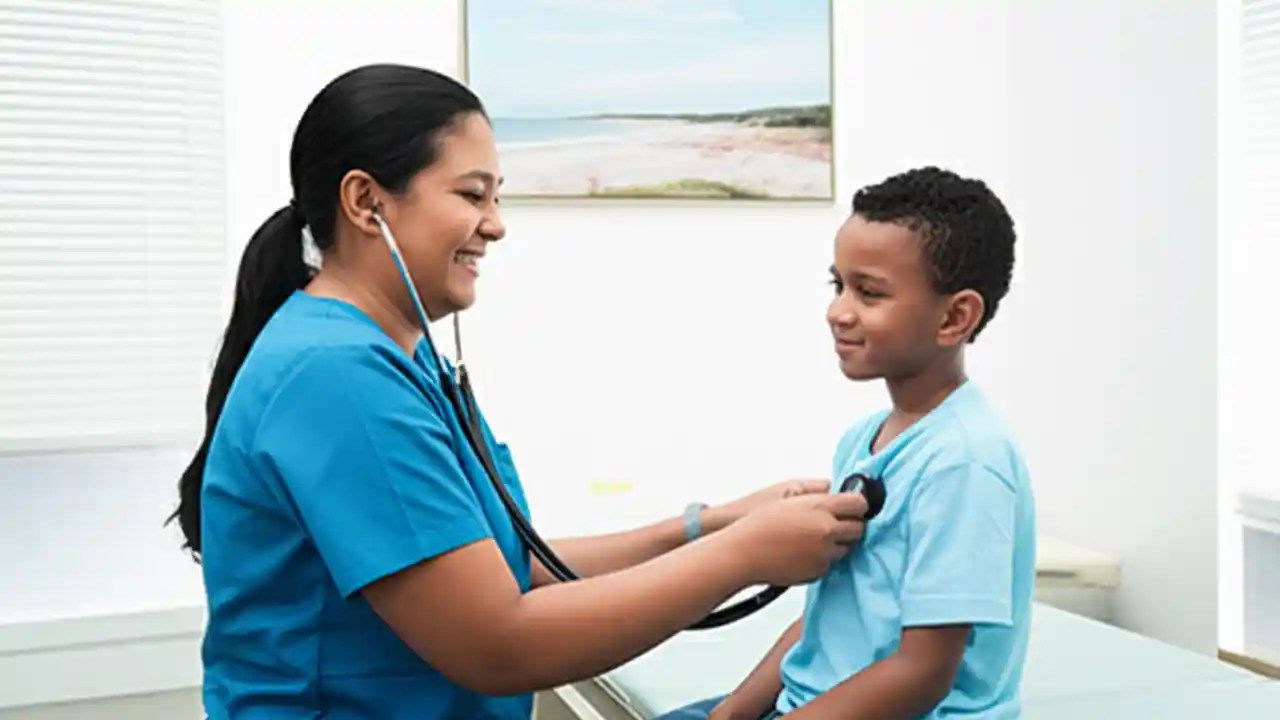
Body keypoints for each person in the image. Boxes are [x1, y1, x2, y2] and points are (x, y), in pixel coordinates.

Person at [168, 63, 871, 719]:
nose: (497, 225)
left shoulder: (397, 359)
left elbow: (513, 563)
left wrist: (710, 525)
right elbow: (499, 644)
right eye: (472, 194)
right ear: (365, 201)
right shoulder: (334, 378)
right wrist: (746, 555)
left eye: (496, 197)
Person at [659, 167, 1036, 719]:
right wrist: (730, 715)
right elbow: (825, 620)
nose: (839, 311)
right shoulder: (864, 440)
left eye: (870, 293)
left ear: (955, 317)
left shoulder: (966, 460)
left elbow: (922, 673)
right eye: (838, 285)